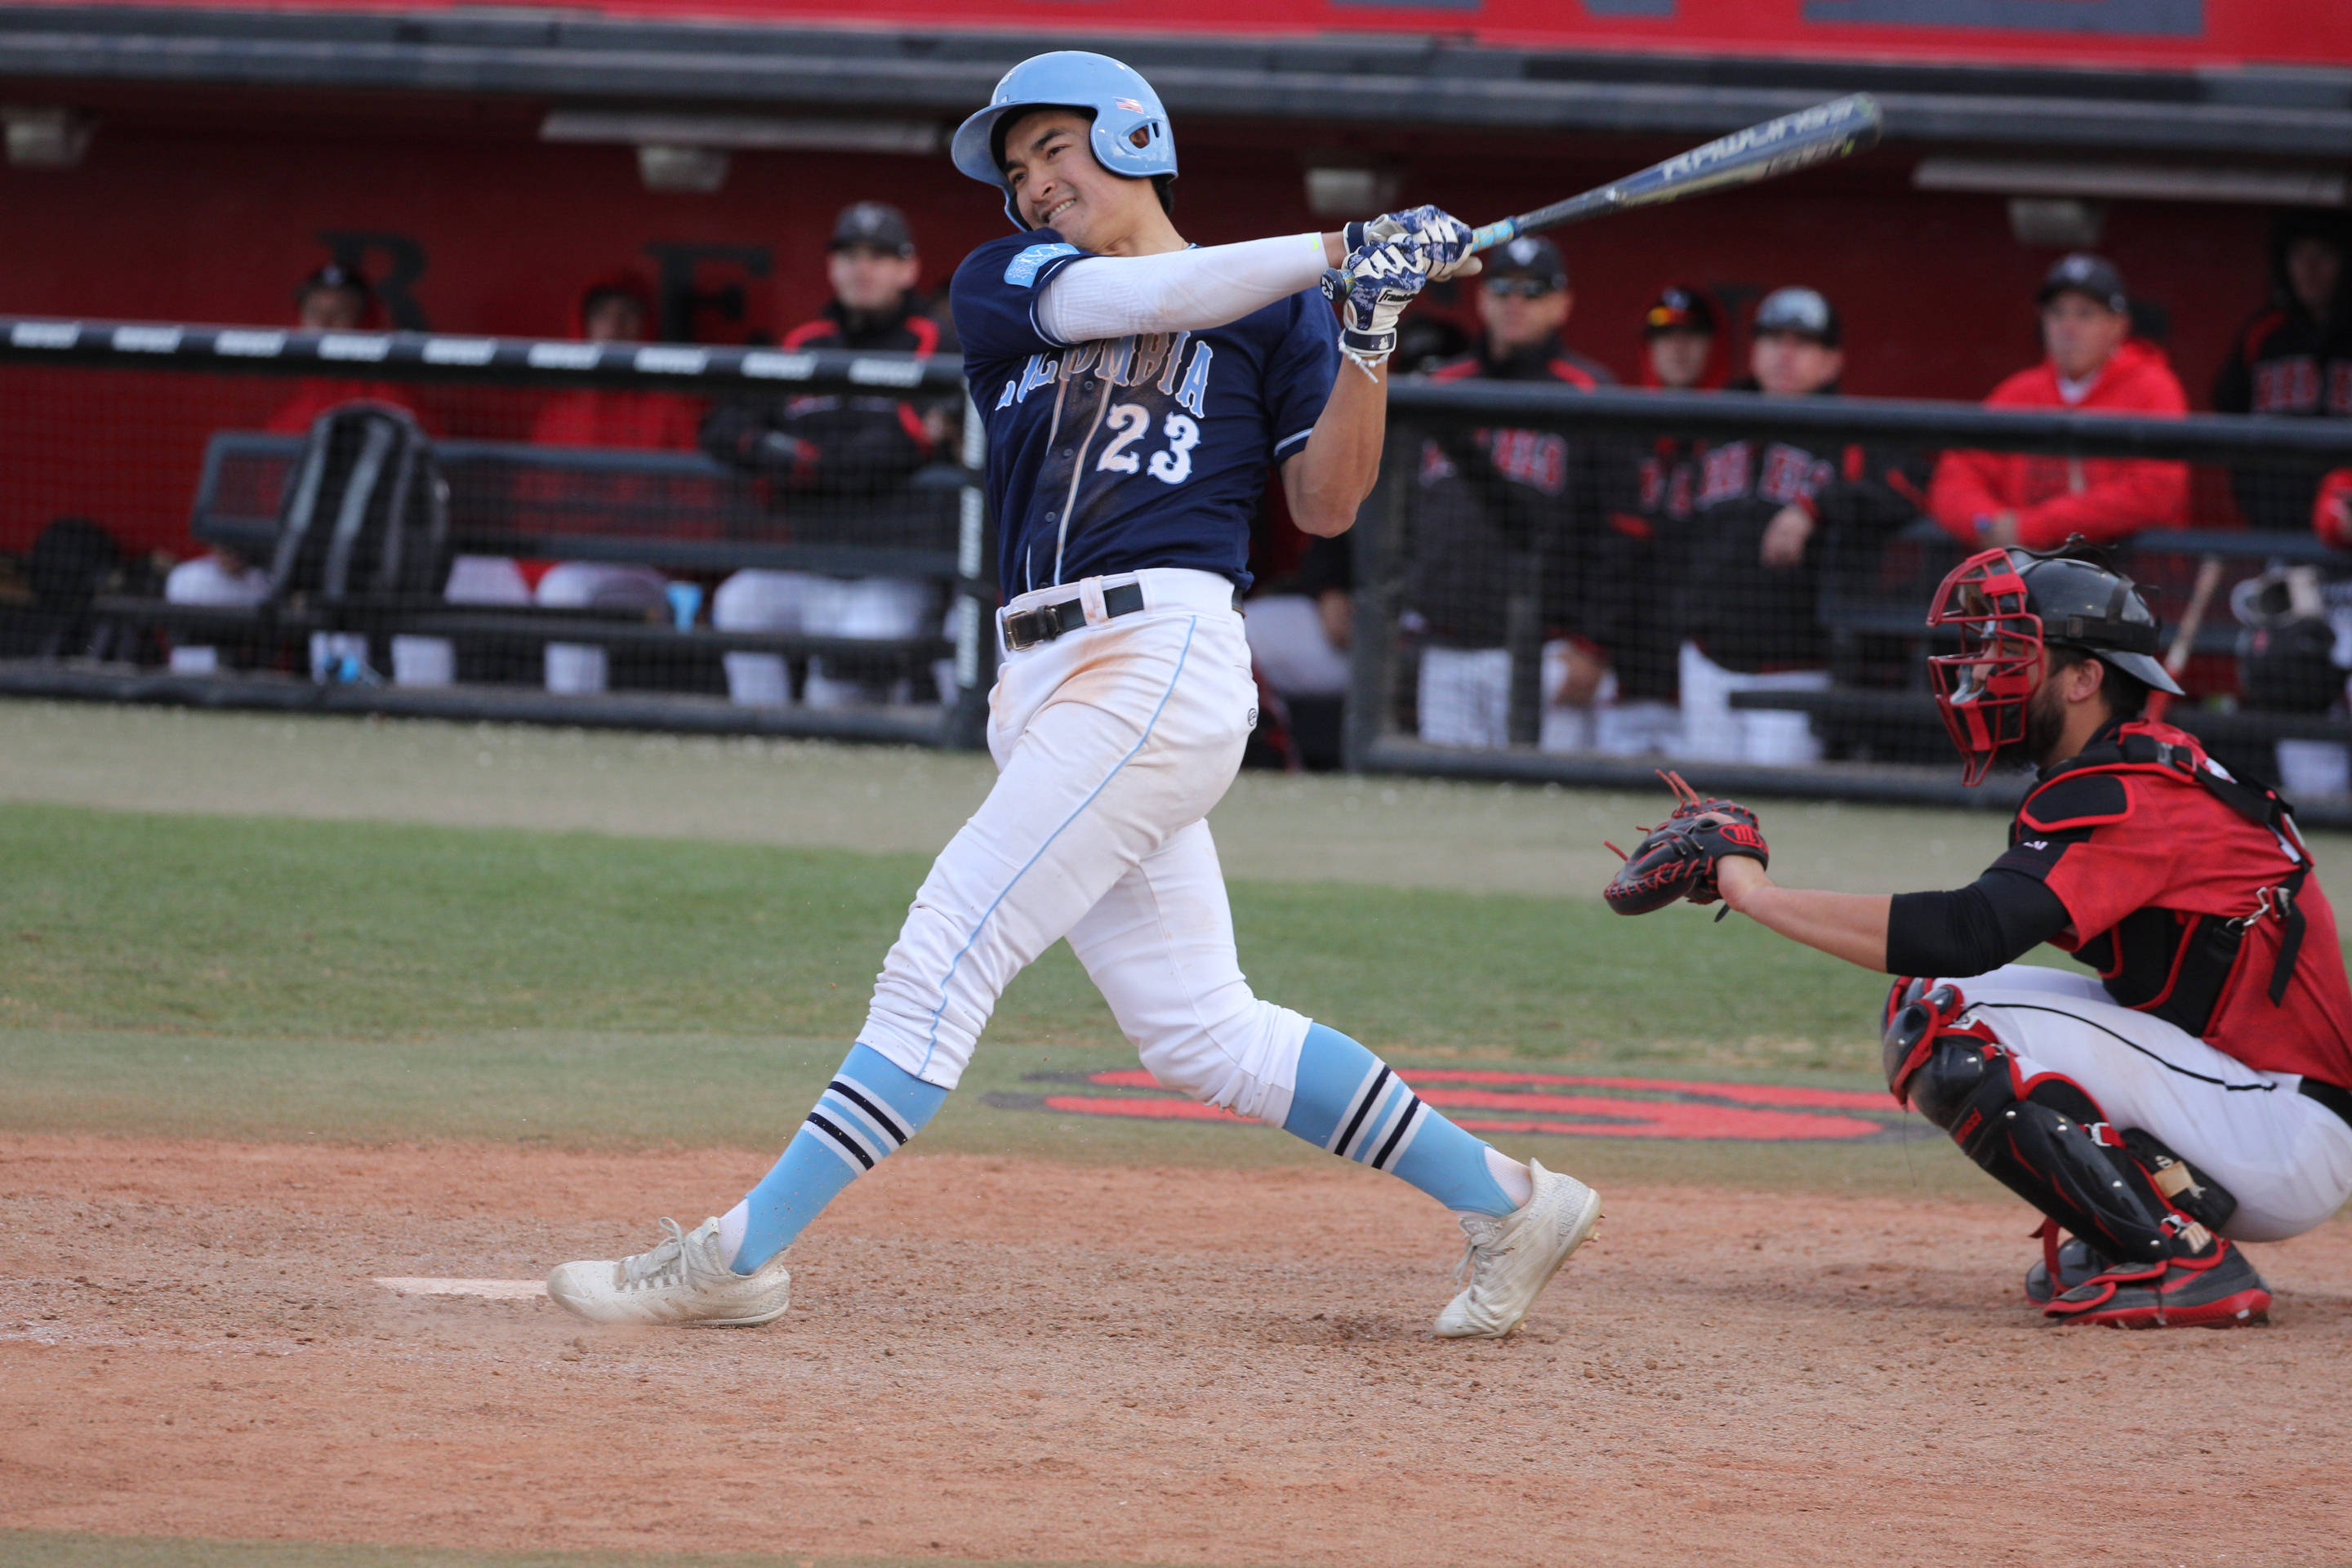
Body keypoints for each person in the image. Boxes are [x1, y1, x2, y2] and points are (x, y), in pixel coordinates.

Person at [546, 50, 1600, 1339]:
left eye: (1060, 150)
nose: (1037, 185)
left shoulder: (1283, 311)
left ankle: (736, 1255)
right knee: (1203, 1033)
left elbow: (1326, 503)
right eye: (1018, 169)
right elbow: (1168, 288)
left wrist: (1366, 330)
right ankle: (1510, 1200)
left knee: (945, 950)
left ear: (1136, 135)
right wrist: (1339, 246)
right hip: (1041, 677)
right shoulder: (1008, 284)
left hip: (1155, 655)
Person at [1620, 542, 2352, 1327]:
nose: (1983, 671)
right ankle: (2134, 1227)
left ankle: (2177, 1258)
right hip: (2246, 1098)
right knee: (1936, 1000)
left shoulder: (2133, 793)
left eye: (2013, 651)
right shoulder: (2133, 773)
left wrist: (1754, 892)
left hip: (2279, 1129)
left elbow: (1972, 931)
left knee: (1947, 1022)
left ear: (2084, 678)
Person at [706, 202, 959, 709]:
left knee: (841, 684)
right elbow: (721, 425)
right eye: (849, 255)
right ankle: (763, 733)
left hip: (895, 569)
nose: (862, 268)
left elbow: (895, 449)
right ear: (832, 267)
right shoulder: (804, 342)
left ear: (908, 269)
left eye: (879, 256)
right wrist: (791, 454)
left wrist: (808, 462)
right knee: (740, 602)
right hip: (810, 560)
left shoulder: (938, 342)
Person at [1674, 286, 1923, 764]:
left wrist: (1815, 506)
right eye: (1772, 340)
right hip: (1705, 658)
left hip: (1795, 668)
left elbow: (1913, 486)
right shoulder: (1715, 417)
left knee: (1771, 818)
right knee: (1699, 815)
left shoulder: (1851, 432)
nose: (1784, 355)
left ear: (1832, 361)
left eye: (1802, 343)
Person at [1400, 234, 1624, 751]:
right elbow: (1400, 512)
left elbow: (1622, 533)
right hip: (1446, 644)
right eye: (1503, 289)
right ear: (1482, 298)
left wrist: (1594, 644)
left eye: (1534, 291)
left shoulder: (1593, 392)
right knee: (1446, 807)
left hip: (1549, 653)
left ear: (1562, 303)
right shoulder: (1440, 391)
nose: (1515, 303)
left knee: (1544, 808)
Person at [1929, 253, 2189, 550]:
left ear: (2118, 325)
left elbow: (2154, 492)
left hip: (2125, 574)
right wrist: (1986, 522)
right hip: (2028, 574)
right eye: (2057, 313)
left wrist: (2031, 528)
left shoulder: (2153, 388)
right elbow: (1956, 476)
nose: (2068, 328)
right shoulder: (2018, 391)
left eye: (2084, 314)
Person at [1570, 284, 1728, 756]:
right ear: (1648, 346)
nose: (1678, 348)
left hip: (1706, 672)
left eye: (1693, 336)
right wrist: (1590, 643)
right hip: (1620, 677)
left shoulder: (1733, 442)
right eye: (1665, 336)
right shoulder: (1617, 435)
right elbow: (1588, 552)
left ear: (1714, 348)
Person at [515, 272, 689, 697]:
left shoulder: (670, 408)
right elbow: (527, 514)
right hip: (558, 566)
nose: (615, 328)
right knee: (463, 576)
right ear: (585, 326)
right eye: (604, 317)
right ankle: (419, 708)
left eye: (627, 316)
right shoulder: (557, 413)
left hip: (644, 573)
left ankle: (571, 720)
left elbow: (695, 518)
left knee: (566, 590)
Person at [2213, 212, 2351, 534]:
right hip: (2276, 524)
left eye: (2323, 256)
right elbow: (2228, 411)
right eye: (2299, 256)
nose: (2309, 269)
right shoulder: (2263, 334)